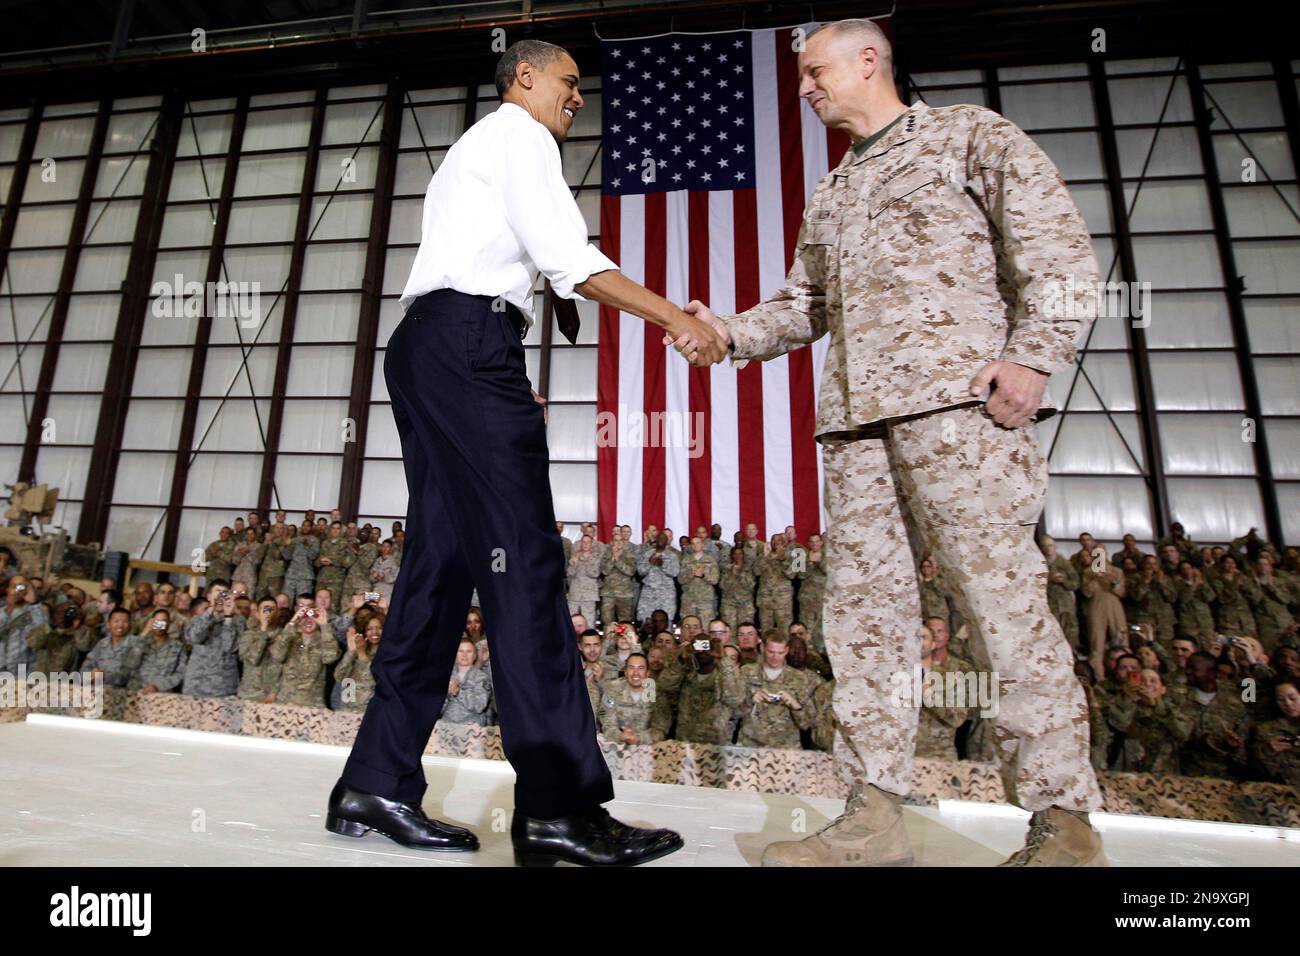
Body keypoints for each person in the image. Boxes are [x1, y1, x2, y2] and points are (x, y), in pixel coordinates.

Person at [675, 18, 1106, 865]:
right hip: (857, 427)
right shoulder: (833, 192)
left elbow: (1059, 252)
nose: (804, 88)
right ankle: (873, 815)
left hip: (962, 413)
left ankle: (1067, 823)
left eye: (813, 70)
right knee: (866, 625)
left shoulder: (968, 136)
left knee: (1001, 610)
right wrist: (725, 334)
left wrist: (1034, 357)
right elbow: (806, 305)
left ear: (868, 60)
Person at [328, 38, 710, 866]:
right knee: (527, 567)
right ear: (524, 76)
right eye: (570, 84)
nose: (578, 100)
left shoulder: (480, 147)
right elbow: (571, 263)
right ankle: (557, 809)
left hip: (433, 345)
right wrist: (676, 317)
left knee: (441, 569)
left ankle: (376, 783)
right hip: (466, 344)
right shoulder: (519, 135)